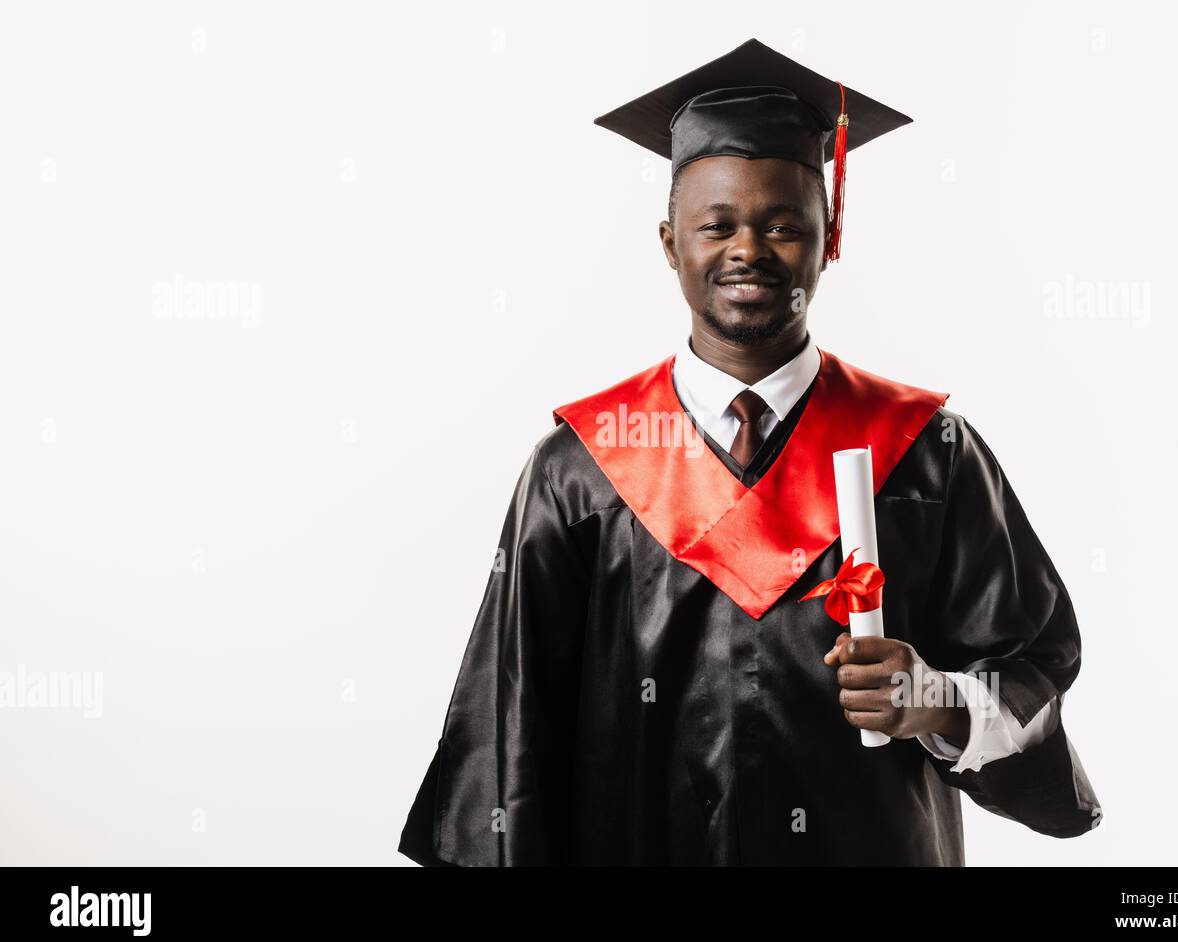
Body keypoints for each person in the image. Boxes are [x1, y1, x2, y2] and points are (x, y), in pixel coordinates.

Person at [398, 38, 1101, 866]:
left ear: (829, 234)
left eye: (782, 226)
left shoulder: (930, 454)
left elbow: (1033, 666)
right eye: (716, 225)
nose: (748, 250)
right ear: (669, 243)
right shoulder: (579, 468)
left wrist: (939, 702)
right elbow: (510, 727)